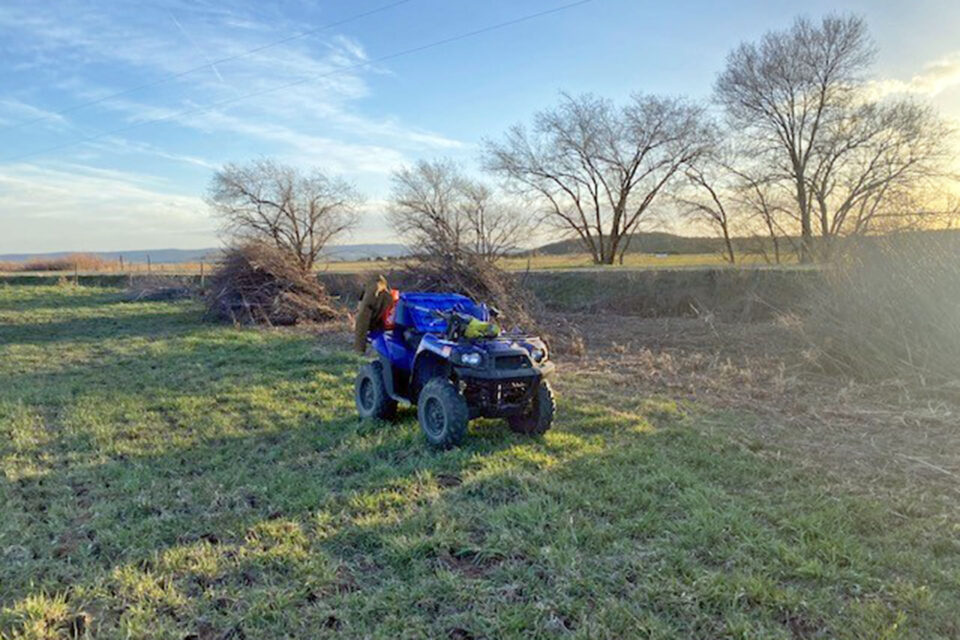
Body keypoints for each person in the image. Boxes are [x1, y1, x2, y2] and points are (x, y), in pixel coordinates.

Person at [353, 275, 398, 353]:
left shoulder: (369, 292)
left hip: (372, 299)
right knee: (383, 324)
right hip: (386, 299)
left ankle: (359, 352)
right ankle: (385, 350)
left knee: (361, 326)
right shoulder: (383, 288)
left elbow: (361, 325)